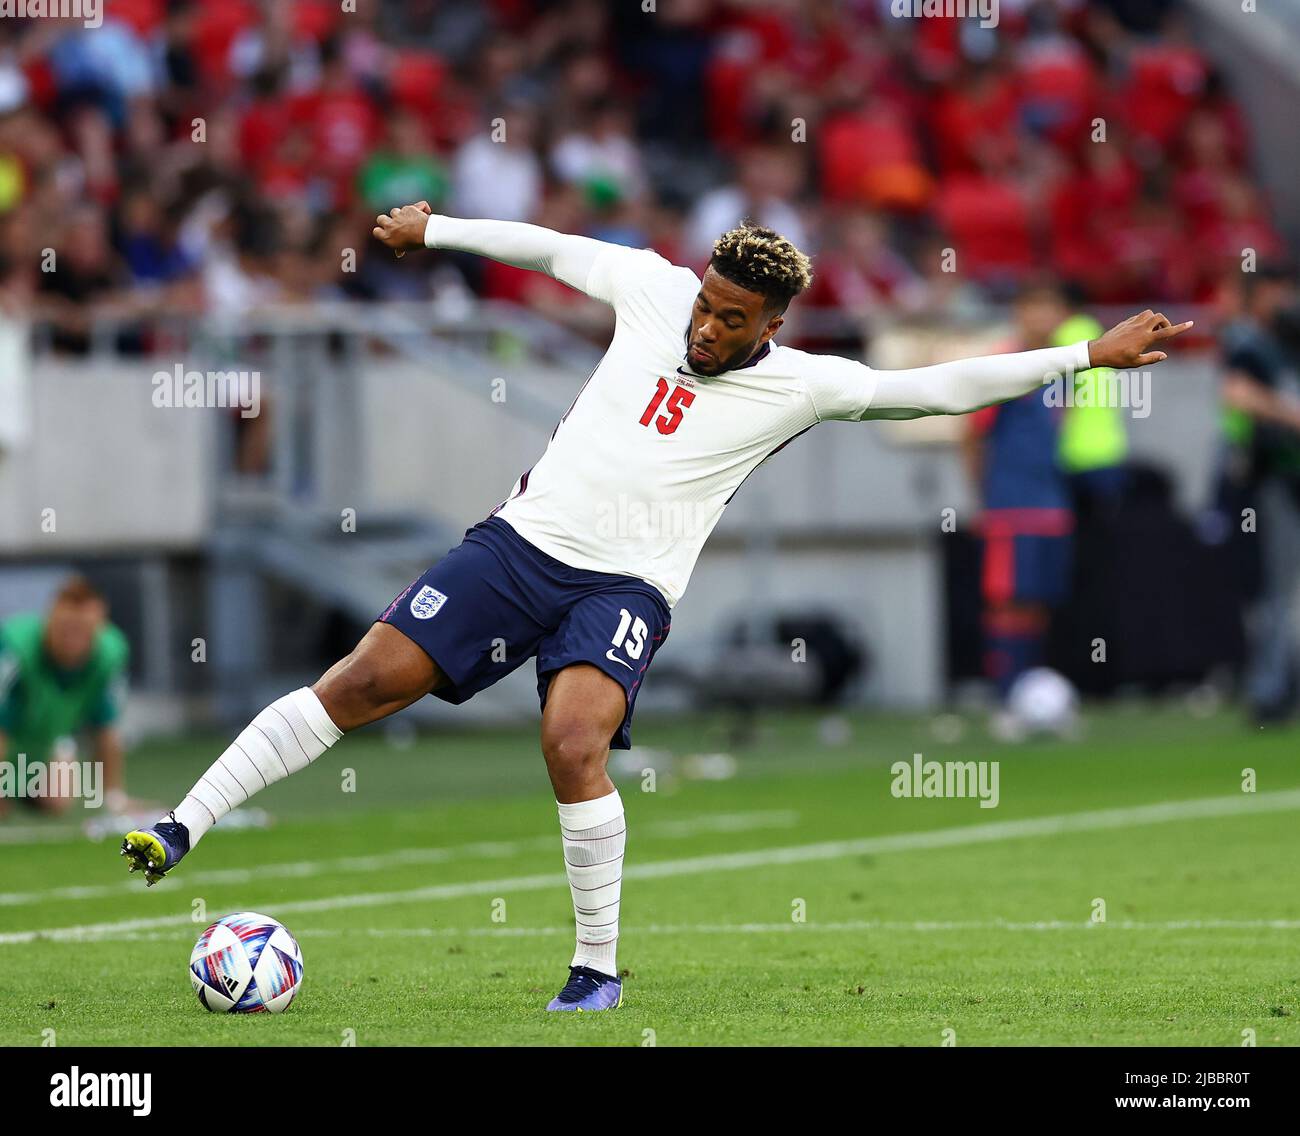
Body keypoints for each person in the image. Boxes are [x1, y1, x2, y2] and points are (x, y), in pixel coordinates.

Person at [122, 201, 1191, 1011]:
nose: (707, 328)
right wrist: (434, 226)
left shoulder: (804, 385)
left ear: (772, 323)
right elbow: (546, 248)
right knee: (362, 682)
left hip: (625, 587)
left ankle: (594, 969)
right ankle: (182, 823)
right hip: (517, 547)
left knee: (571, 740)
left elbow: (941, 384)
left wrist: (1081, 355)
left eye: (732, 320)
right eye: (706, 307)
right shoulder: (648, 286)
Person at [962, 283, 1076, 720]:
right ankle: (1006, 701)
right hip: (1011, 506)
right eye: (1036, 306)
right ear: (1019, 311)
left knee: (1037, 602)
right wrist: (983, 498)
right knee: (1007, 602)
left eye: (1052, 306)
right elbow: (972, 435)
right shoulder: (1005, 365)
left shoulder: (1065, 367)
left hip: (1053, 503)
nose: (1044, 317)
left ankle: (1033, 698)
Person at [1217, 264, 1300, 721]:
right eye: (1274, 292)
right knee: (1277, 591)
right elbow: (1237, 395)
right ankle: (1271, 691)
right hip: (1275, 477)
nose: (1284, 301)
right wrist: (1290, 416)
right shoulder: (1249, 344)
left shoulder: (1290, 339)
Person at [0, 577, 130, 817]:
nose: (73, 641)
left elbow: (106, 728)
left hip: (42, 744)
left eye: (84, 632)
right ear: (51, 620)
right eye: (67, 631)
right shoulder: (14, 648)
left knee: (58, 798)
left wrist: (114, 796)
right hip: (8, 742)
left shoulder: (109, 655)